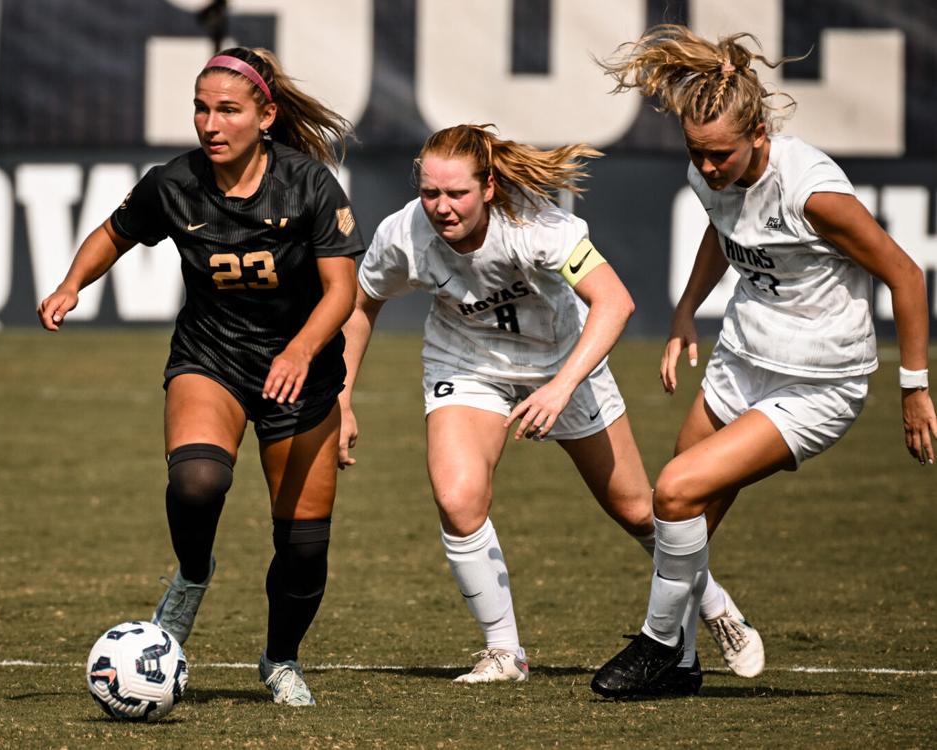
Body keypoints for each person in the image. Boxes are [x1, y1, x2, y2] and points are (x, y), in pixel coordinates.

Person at [338, 123, 761, 691]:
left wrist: (561, 386)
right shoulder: (403, 233)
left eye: (456, 193)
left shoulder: (535, 225)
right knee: (458, 499)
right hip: (466, 366)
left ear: (488, 187)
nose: (440, 207)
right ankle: (504, 652)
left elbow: (615, 303)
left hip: (565, 365)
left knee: (640, 512)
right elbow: (361, 305)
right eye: (430, 193)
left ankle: (713, 603)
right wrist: (341, 398)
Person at [590, 25, 936, 698]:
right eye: (697, 154)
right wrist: (686, 311)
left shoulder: (810, 190)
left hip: (816, 384)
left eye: (720, 155)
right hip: (741, 358)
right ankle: (683, 663)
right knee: (685, 517)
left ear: (756, 135)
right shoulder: (707, 169)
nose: (708, 168)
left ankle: (656, 644)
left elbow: (906, 276)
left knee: (674, 490)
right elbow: (723, 234)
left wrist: (913, 388)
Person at [37, 46, 362, 706]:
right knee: (197, 480)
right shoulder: (173, 183)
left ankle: (280, 660)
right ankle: (191, 575)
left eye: (227, 111)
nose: (210, 124)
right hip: (210, 357)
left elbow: (341, 291)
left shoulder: (308, 186)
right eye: (200, 109)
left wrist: (299, 352)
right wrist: (72, 284)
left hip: (300, 374)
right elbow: (112, 232)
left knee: (301, 546)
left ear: (265, 116)